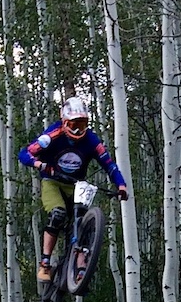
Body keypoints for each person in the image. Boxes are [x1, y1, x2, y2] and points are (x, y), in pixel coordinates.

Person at [19, 96, 128, 283]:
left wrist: (121, 185)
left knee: (84, 222)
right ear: (64, 122)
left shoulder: (91, 140)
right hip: (52, 181)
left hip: (77, 184)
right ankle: (45, 263)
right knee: (58, 214)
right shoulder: (52, 135)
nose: (78, 129)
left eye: (82, 124)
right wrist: (39, 164)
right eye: (73, 124)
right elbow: (25, 153)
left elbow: (109, 164)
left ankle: (81, 266)